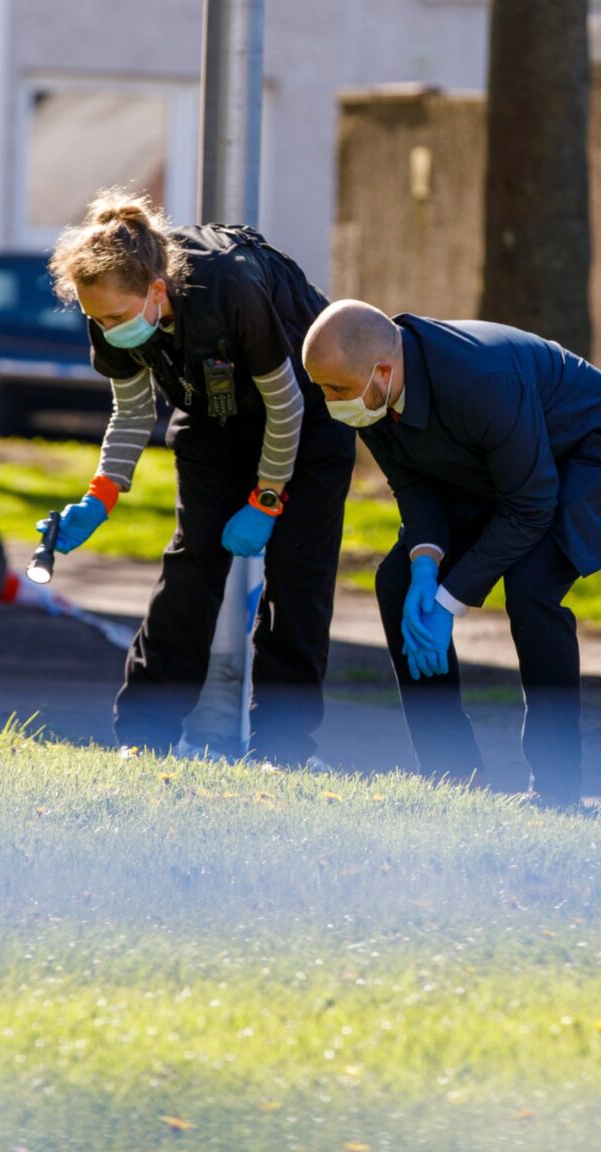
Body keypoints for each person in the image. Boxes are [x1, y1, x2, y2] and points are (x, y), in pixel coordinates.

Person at [42, 193, 355, 764]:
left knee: (298, 586)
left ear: (157, 291)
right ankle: (145, 739)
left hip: (308, 425)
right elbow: (134, 411)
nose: (107, 330)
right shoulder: (109, 312)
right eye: (96, 320)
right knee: (191, 571)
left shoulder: (231, 286)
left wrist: (265, 500)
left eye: (114, 318)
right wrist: (100, 495)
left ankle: (282, 752)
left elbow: (286, 406)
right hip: (212, 425)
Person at [302, 300, 601, 805]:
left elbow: (532, 505)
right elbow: (416, 487)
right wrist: (426, 568)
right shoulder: (370, 395)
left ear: (381, 371)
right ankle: (452, 778)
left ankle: (556, 792)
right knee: (398, 582)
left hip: (595, 456)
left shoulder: (480, 381)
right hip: (503, 472)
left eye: (334, 390)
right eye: (322, 389)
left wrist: (450, 600)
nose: (329, 401)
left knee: (532, 586)